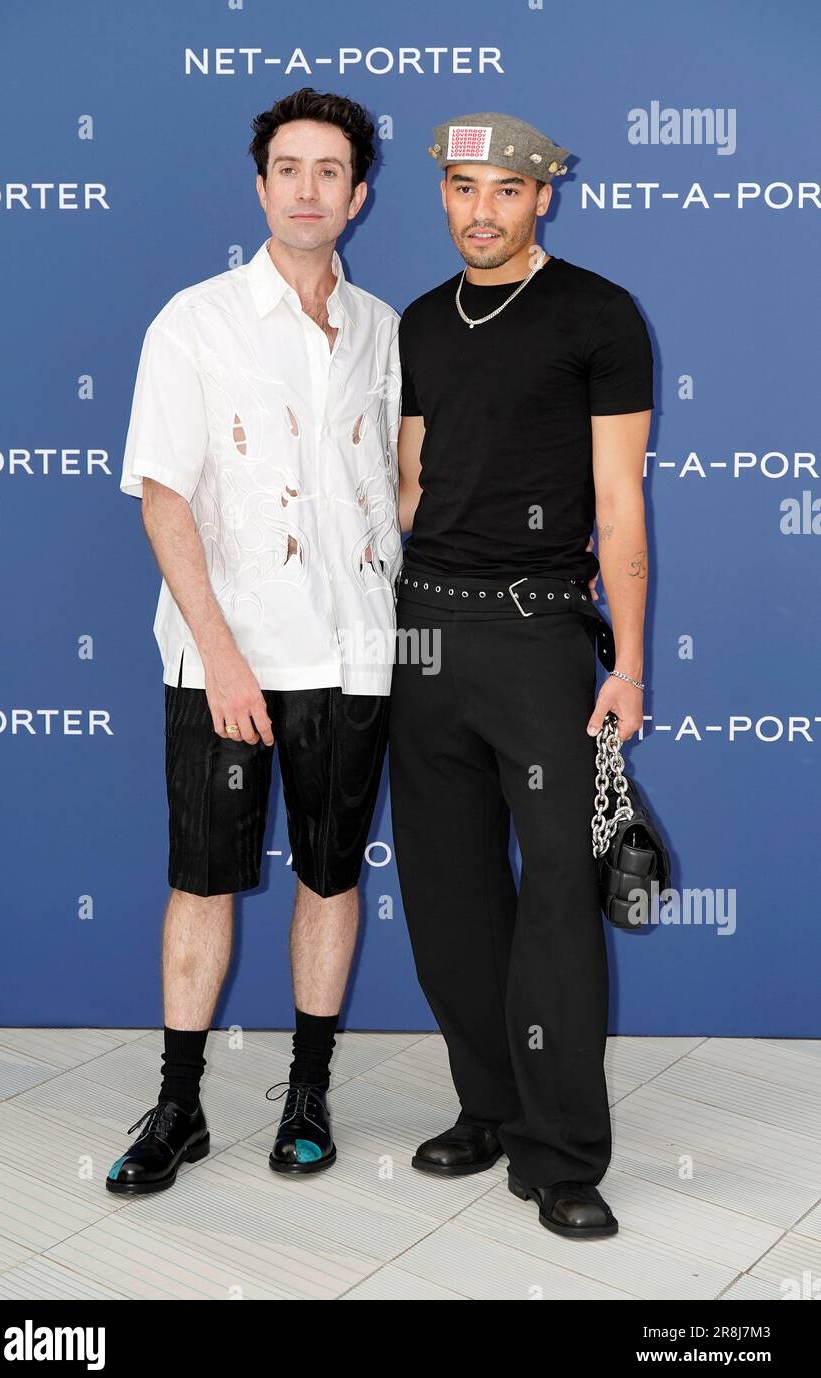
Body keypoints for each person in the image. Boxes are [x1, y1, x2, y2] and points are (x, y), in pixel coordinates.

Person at [107, 87, 402, 1195]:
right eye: (288, 167)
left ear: (359, 194)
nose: (308, 188)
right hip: (222, 659)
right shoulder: (194, 321)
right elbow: (165, 500)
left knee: (331, 879)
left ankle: (309, 1093)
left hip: (357, 653)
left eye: (331, 170)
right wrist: (222, 654)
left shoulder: (383, 332)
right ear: (261, 185)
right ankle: (177, 1107)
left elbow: (395, 488)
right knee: (204, 880)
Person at [389, 111, 654, 1238]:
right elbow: (406, 490)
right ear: (441, 194)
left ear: (544, 195)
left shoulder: (597, 315)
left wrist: (629, 663)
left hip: (541, 634)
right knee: (450, 894)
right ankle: (489, 1105)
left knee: (555, 897)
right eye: (462, 189)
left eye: (505, 190)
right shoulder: (416, 321)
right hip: (420, 637)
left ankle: (561, 1154)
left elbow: (620, 503)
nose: (480, 212)